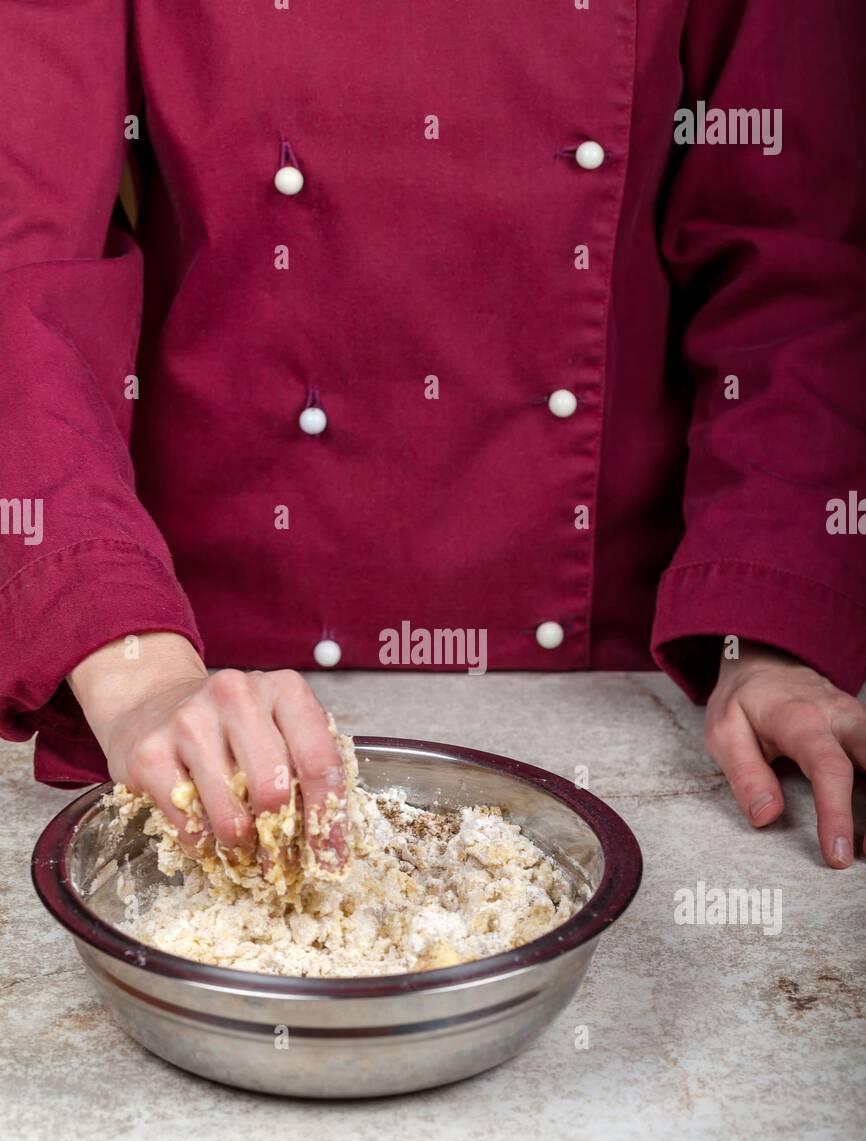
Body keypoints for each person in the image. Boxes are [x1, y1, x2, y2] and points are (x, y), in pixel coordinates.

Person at [1, 2, 864, 870]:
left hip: (632, 679)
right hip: (210, 670)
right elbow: (22, 273)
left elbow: (792, 256)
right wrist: (136, 670)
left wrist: (765, 626)